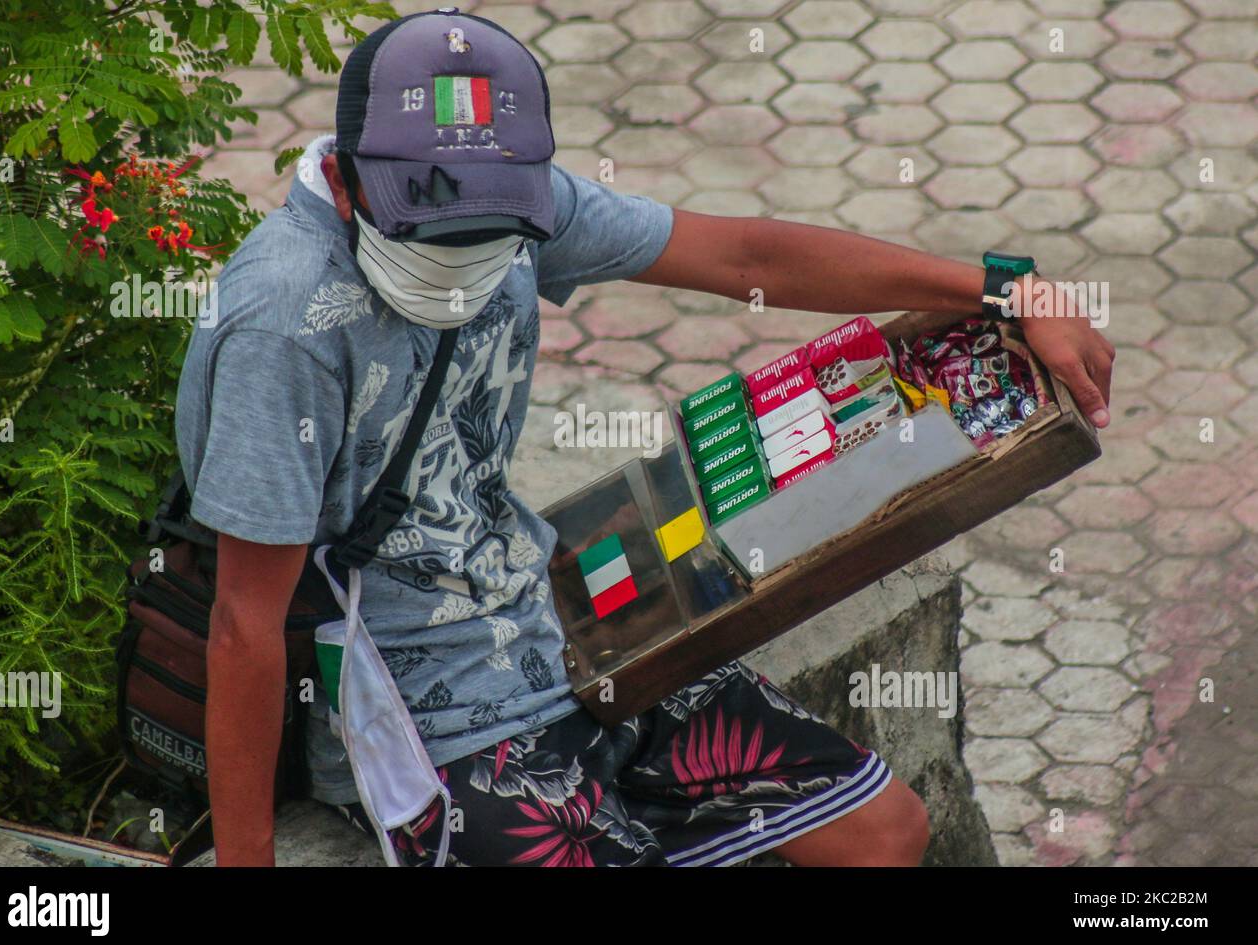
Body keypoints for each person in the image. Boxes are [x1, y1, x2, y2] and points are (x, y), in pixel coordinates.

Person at [175, 9, 1114, 867]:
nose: (460, 271)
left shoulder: (513, 198)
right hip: (425, 724)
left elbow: (745, 257)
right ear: (345, 182)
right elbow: (242, 625)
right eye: (430, 243)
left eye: (487, 243)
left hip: (564, 633)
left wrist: (1009, 290)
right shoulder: (284, 324)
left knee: (886, 830)